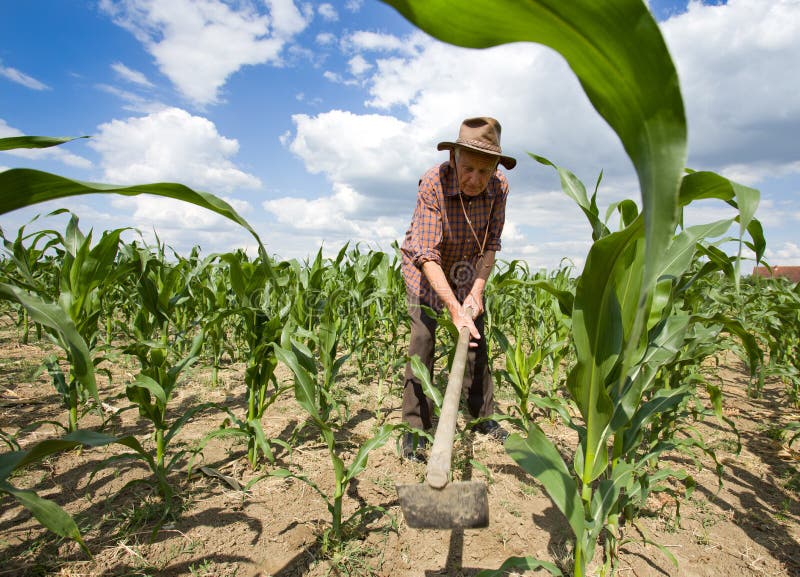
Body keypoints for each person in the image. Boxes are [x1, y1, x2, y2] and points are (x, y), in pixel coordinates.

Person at [399, 117, 515, 462]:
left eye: (484, 171)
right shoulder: (434, 182)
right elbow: (426, 254)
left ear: (495, 167)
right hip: (427, 266)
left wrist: (476, 292)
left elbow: (491, 244)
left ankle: (482, 418)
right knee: (424, 337)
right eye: (468, 169)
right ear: (454, 159)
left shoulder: (500, 187)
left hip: (468, 266)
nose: (475, 180)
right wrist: (452, 307)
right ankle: (415, 429)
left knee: (476, 337)